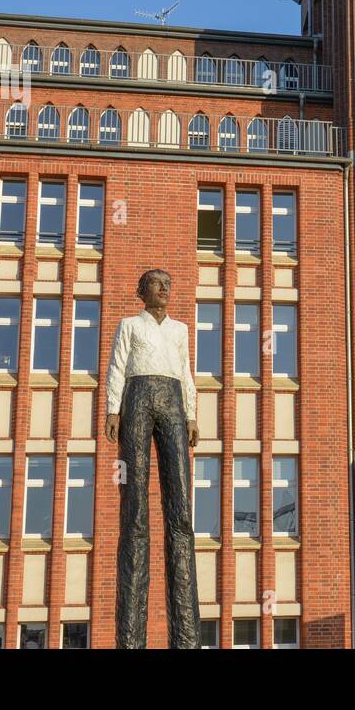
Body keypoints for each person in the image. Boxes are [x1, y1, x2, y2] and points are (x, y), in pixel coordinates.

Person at [105, 268, 200, 648]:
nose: (164, 288)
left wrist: (191, 414)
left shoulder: (179, 331)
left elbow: (187, 372)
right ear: (140, 290)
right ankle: (131, 640)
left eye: (168, 283)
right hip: (138, 398)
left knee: (180, 511)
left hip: (173, 401)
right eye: (156, 283)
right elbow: (116, 367)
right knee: (135, 511)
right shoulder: (129, 325)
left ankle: (187, 638)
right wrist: (114, 410)